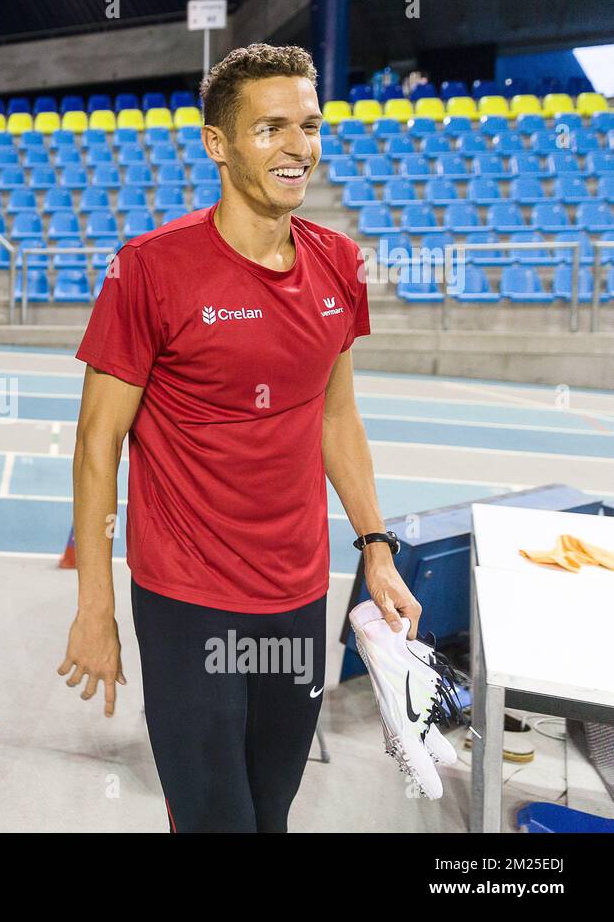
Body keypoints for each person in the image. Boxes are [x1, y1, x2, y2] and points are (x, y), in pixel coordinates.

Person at [58, 43, 421, 831]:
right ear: (218, 144)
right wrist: (95, 607)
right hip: (187, 599)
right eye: (271, 129)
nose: (299, 147)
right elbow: (97, 444)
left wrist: (377, 548)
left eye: (310, 126)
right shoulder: (150, 269)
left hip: (295, 594)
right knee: (215, 817)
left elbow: (336, 416)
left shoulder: (339, 264)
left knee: (272, 809)